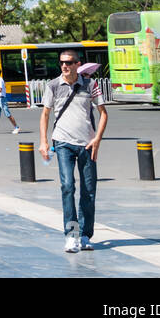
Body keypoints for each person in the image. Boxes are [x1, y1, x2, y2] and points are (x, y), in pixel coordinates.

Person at [39, 48, 108, 253]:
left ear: (78, 64)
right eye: (62, 62)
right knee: (67, 186)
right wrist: (43, 142)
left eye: (69, 62)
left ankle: (85, 235)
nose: (64, 66)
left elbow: (104, 113)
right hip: (62, 143)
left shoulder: (91, 85)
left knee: (89, 191)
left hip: (86, 144)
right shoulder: (52, 86)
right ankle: (71, 235)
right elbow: (45, 115)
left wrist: (97, 139)